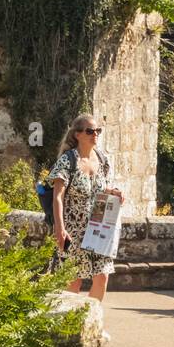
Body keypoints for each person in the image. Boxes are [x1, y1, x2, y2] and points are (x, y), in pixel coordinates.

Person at [48, 113, 123, 303]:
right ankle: (70, 328)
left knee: (102, 276)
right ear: (77, 134)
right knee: (73, 282)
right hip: (74, 231)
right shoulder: (68, 160)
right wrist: (60, 228)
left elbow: (102, 188)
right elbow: (57, 196)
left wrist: (114, 192)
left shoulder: (103, 160)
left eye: (98, 130)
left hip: (99, 229)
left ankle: (90, 323)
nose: (95, 134)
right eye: (90, 131)